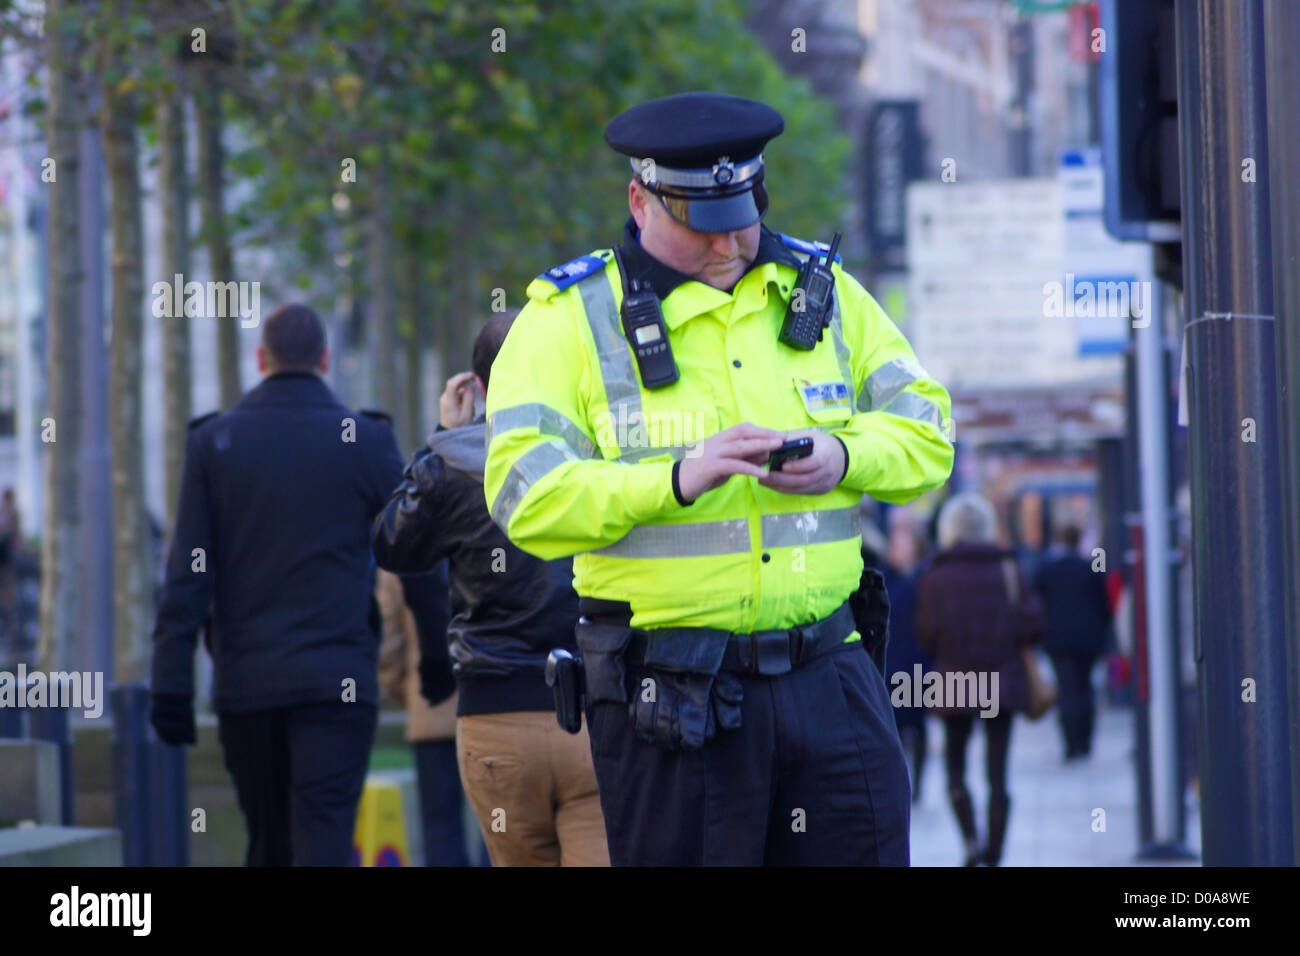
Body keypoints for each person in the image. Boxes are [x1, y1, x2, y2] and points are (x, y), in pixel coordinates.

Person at [482, 92, 954, 866]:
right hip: (676, 701)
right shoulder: (566, 319)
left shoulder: (825, 294)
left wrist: (844, 456)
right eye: (701, 222)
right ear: (639, 200)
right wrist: (671, 479)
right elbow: (523, 495)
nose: (730, 241)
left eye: (742, 212)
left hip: (833, 677)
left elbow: (930, 431)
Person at [150, 303, 413, 866]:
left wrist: (171, 681)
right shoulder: (366, 440)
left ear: (259, 359)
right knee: (322, 838)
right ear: (324, 359)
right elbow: (416, 552)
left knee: (266, 842)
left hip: (249, 686)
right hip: (336, 683)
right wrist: (435, 653)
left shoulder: (215, 442)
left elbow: (188, 568)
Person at [371, 316, 609, 867]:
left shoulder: (453, 468)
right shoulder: (602, 453)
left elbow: (393, 545)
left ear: (477, 387)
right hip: (594, 715)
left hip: (495, 721)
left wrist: (445, 441)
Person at [916, 492, 1045, 866]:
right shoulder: (1009, 569)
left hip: (956, 682)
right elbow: (1033, 624)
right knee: (998, 774)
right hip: (1002, 682)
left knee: (955, 767)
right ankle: (995, 853)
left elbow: (926, 634)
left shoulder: (935, 576)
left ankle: (971, 843)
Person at [375, 564, 484, 866]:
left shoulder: (407, 540)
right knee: (499, 823)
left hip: (430, 709)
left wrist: (409, 690)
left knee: (440, 829)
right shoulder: (493, 532)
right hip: (492, 705)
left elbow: (388, 638)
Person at [1031, 524, 1112, 761]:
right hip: (1088, 638)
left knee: (1066, 689)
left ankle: (1070, 743)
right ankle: (1085, 741)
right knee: (1085, 687)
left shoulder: (1047, 569)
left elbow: (1036, 602)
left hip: (1057, 639)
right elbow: (1104, 605)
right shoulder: (1091, 568)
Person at [879, 506, 930, 804]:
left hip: (920, 662)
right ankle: (901, 781)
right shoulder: (884, 577)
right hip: (892, 663)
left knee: (918, 726)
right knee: (895, 728)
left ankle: (919, 784)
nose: (895, 548)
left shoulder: (925, 575)